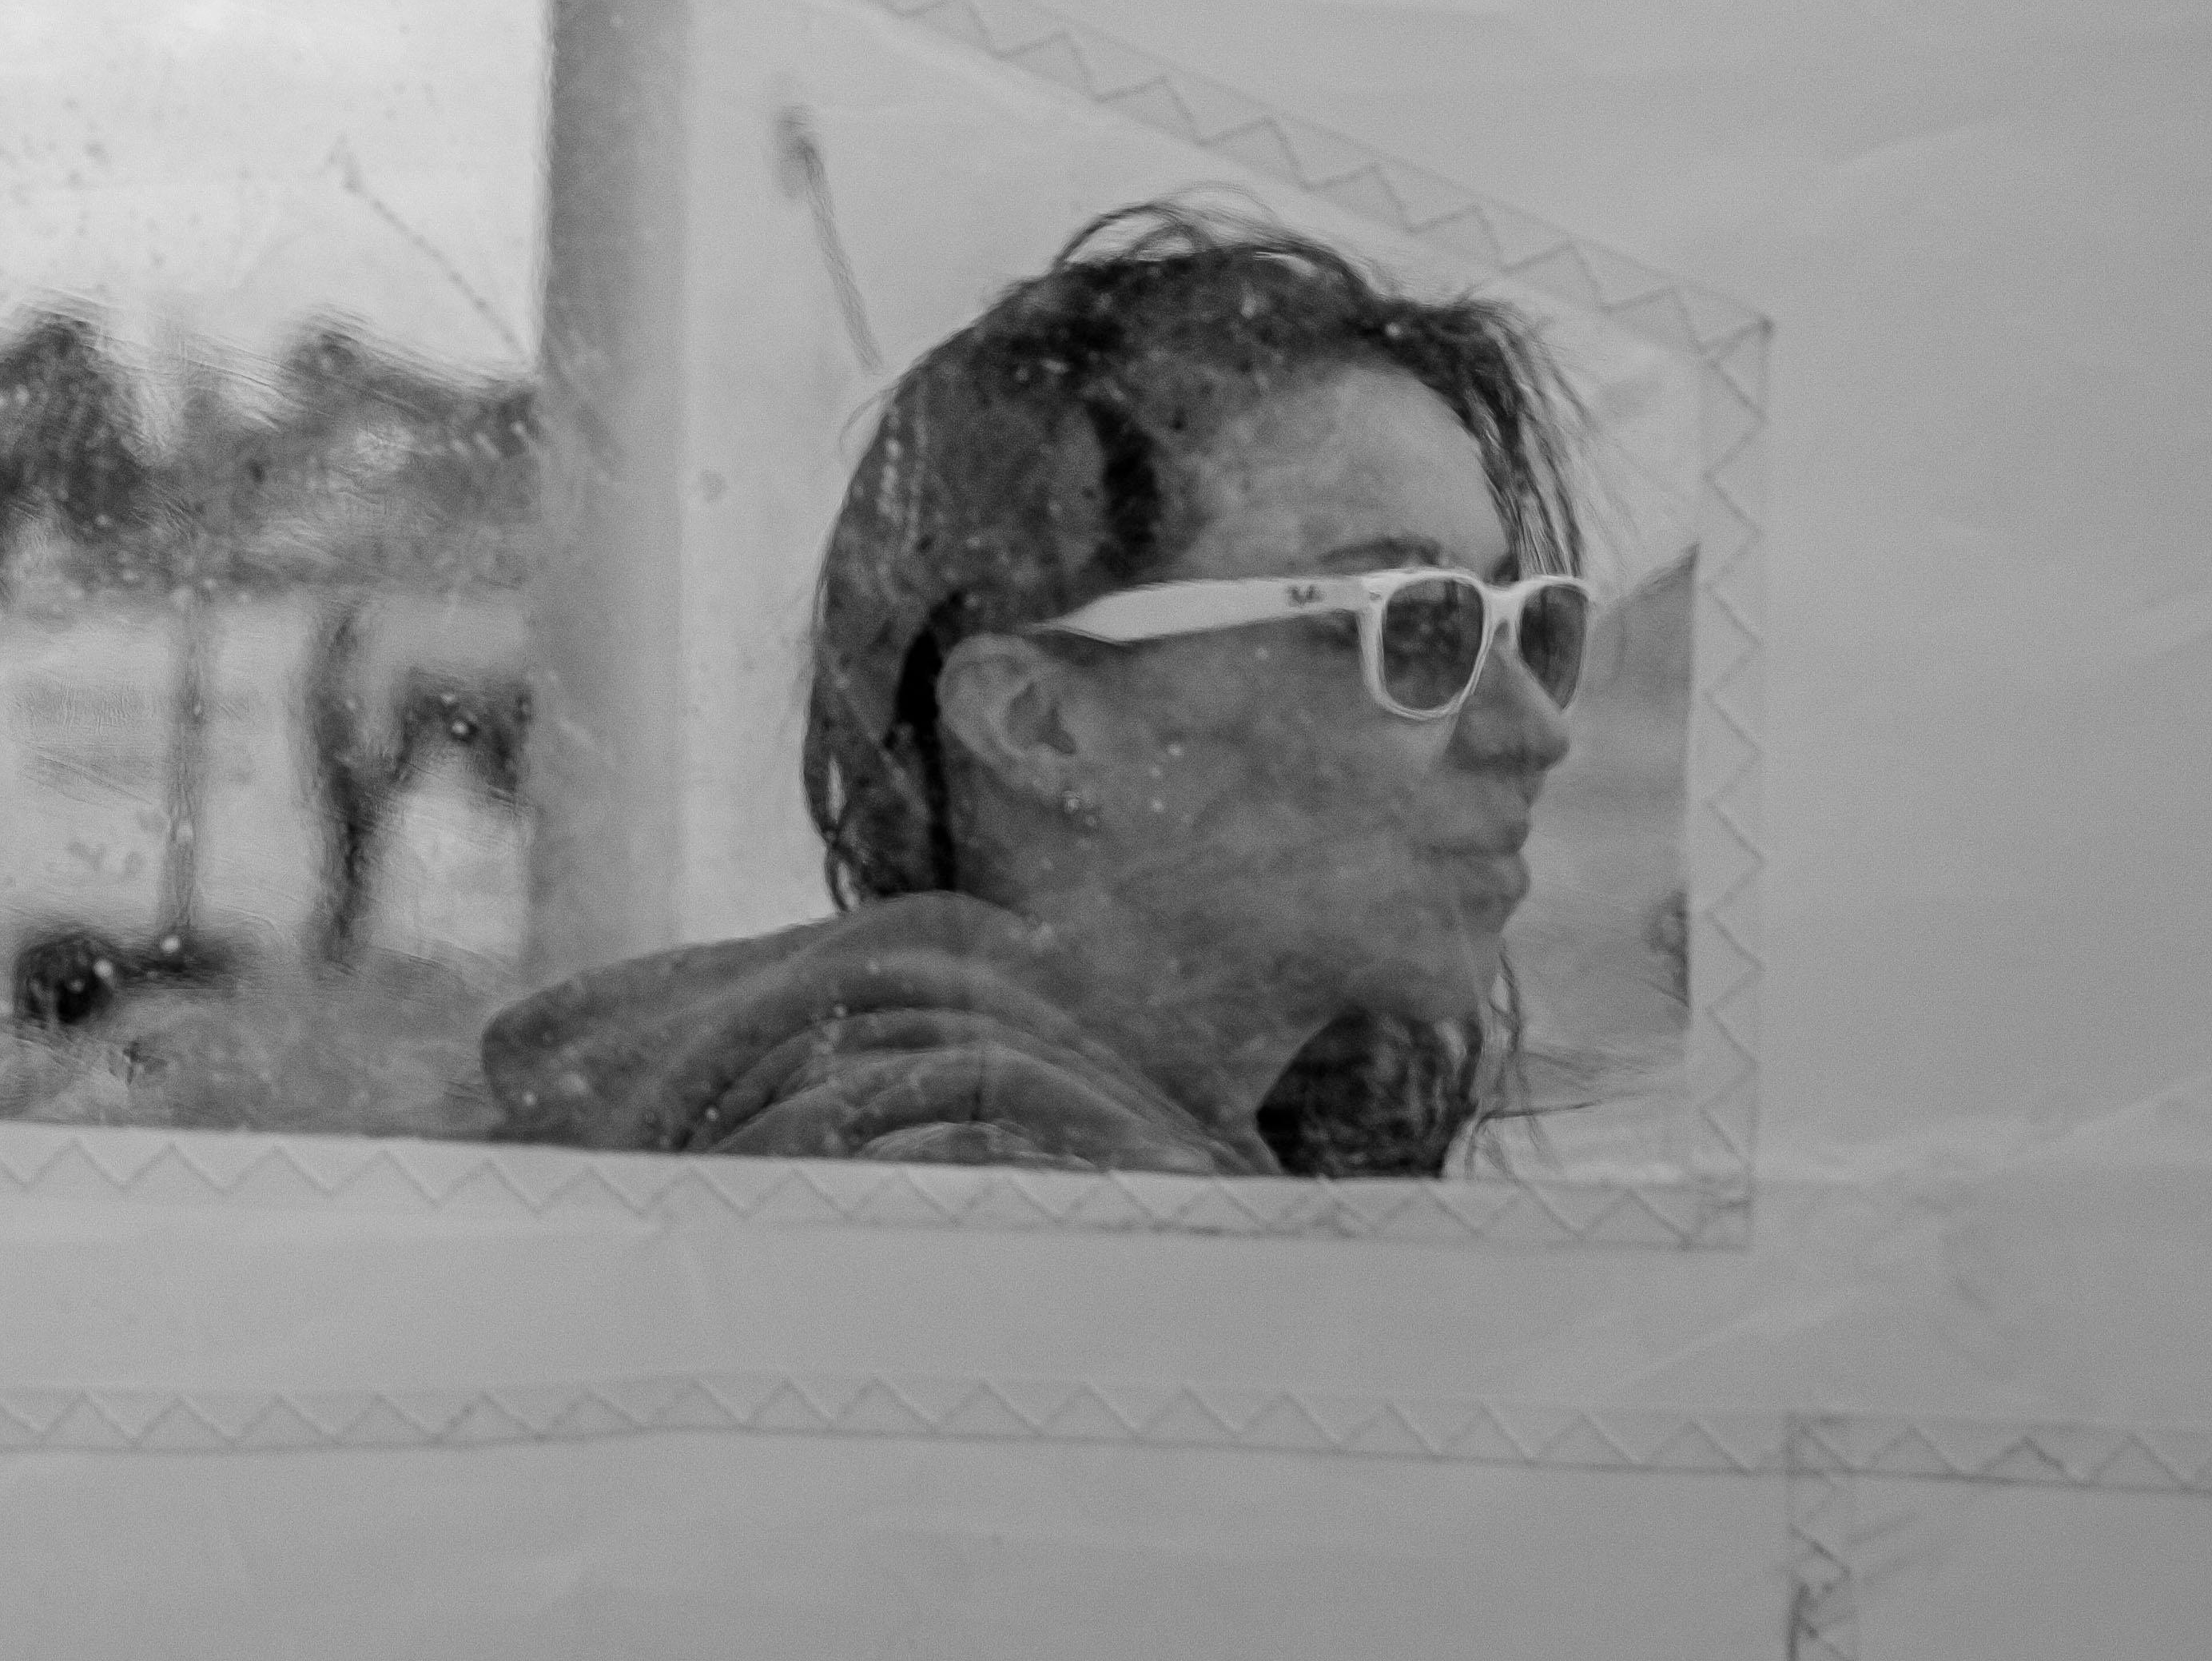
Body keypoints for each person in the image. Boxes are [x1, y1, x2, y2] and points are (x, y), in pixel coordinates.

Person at [483, 205, 1593, 1177]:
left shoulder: (884, 1134)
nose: (1536, 729)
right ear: (1040, 725)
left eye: (1525, 621)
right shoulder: (986, 1206)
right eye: (1413, 627)